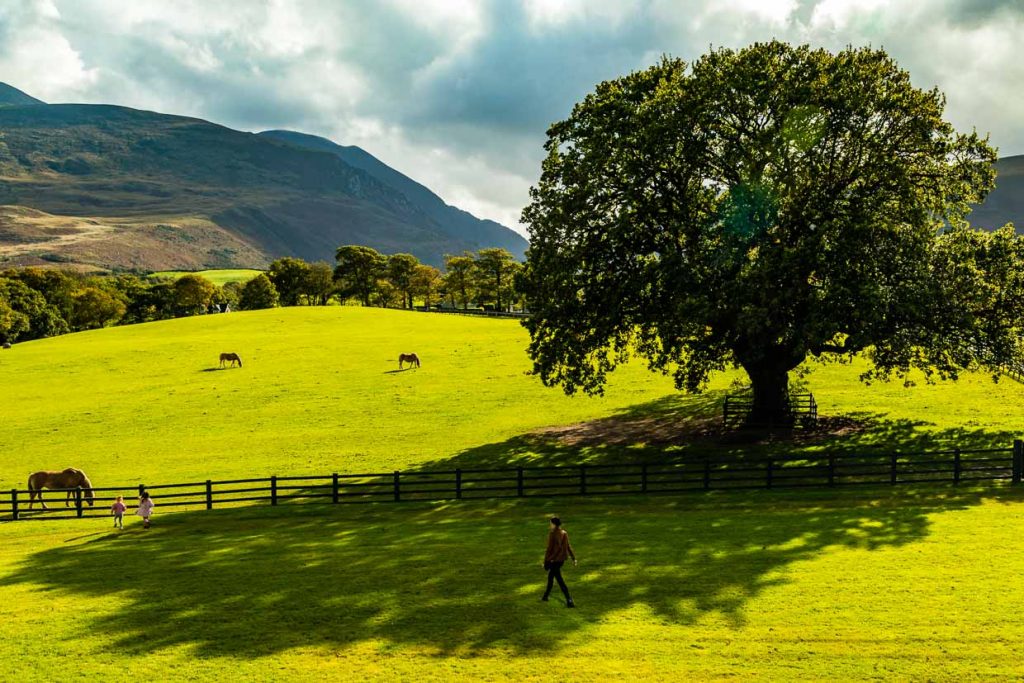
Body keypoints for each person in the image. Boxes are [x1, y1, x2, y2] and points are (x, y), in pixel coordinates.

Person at [542, 516, 576, 607]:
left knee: (559, 580)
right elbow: (568, 546)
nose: (550, 525)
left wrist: (546, 560)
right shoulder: (564, 533)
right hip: (561, 560)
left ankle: (569, 600)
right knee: (551, 577)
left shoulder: (552, 534)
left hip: (554, 560)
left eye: (550, 524)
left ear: (554, 524)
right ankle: (545, 596)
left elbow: (549, 549)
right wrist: (573, 558)